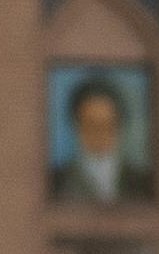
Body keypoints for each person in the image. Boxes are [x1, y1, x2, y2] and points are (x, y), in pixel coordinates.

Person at [50, 72, 147, 209]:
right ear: (76, 126)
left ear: (119, 125)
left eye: (108, 125)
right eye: (91, 124)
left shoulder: (143, 182)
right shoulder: (55, 182)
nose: (99, 133)